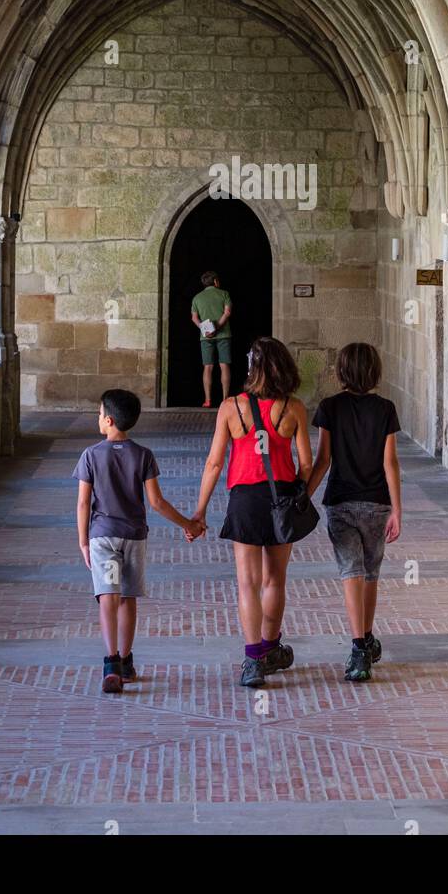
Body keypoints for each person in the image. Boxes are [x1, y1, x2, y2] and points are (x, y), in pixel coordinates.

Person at [193, 337, 312, 688]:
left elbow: (215, 462)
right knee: (275, 579)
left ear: (252, 368)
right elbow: (306, 463)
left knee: (247, 582)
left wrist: (199, 511)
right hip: (281, 498)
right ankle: (272, 646)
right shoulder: (294, 408)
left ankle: (253, 659)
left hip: (244, 500)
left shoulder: (231, 407)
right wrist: (299, 493)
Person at [74, 388, 204, 694]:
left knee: (108, 597)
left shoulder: (91, 455)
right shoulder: (143, 455)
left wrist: (82, 541)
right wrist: (188, 524)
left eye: (98, 414)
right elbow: (156, 502)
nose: (98, 419)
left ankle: (111, 662)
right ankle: (128, 662)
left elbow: (83, 503)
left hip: (103, 536)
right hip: (133, 536)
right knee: (128, 597)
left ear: (107, 420)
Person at [307, 343, 402, 682]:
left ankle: (359, 645)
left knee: (351, 571)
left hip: (341, 502)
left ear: (341, 372)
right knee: (371, 573)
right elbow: (389, 463)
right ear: (375, 371)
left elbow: (322, 461)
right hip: (376, 503)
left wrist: (304, 494)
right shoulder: (385, 408)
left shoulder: (330, 407)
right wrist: (397, 510)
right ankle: (367, 637)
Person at [191, 270, 232, 407]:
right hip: (224, 335)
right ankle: (225, 399)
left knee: (207, 367)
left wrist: (206, 330)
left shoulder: (197, 298)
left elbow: (194, 318)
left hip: (205, 337)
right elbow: (227, 313)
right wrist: (218, 327)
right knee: (224, 365)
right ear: (215, 281)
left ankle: (207, 400)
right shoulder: (224, 294)